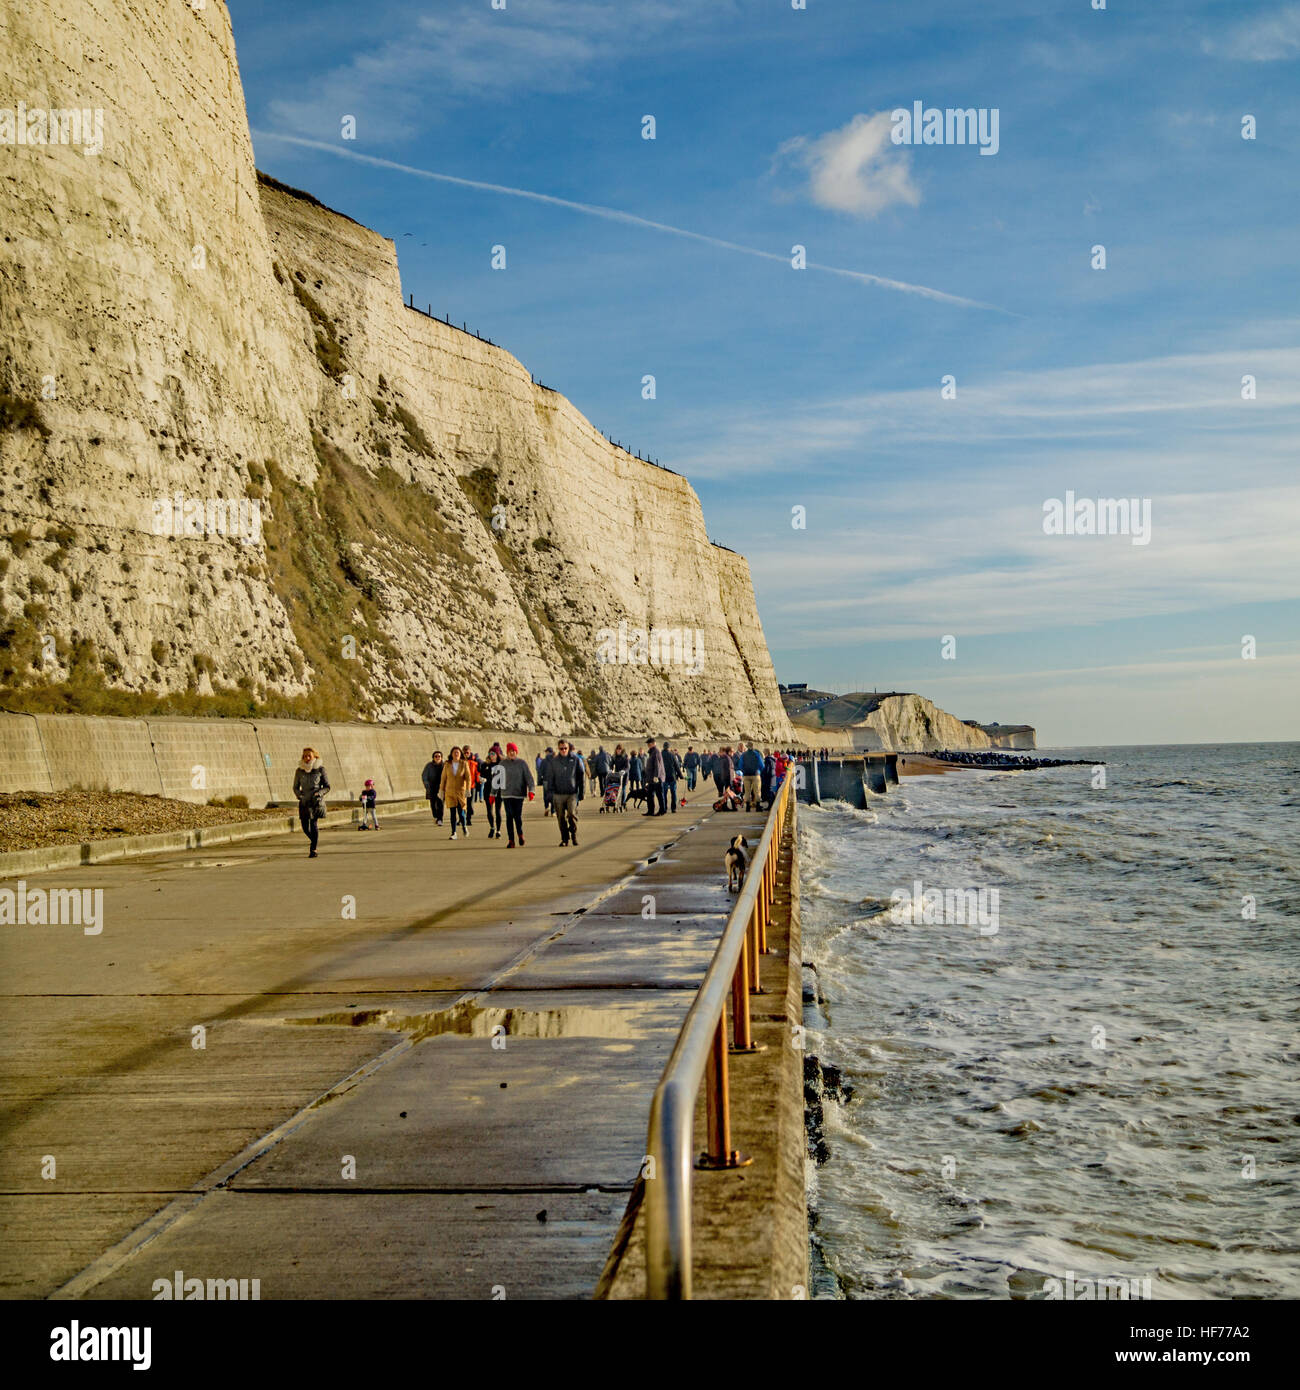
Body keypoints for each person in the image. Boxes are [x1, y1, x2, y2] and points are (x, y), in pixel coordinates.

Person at [542, 738, 584, 846]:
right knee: (560, 817)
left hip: (572, 793)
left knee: (571, 814)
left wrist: (581, 792)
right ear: (558, 749)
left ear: (568, 747)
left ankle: (573, 834)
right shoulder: (554, 761)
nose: (563, 750)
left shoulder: (575, 759)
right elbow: (549, 777)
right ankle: (565, 838)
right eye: (561, 749)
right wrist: (549, 794)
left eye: (565, 748)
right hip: (558, 794)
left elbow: (581, 775)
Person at [293, 746, 330, 858]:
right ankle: (314, 841)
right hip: (304, 802)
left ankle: (313, 849)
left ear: (314, 756)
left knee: (313, 824)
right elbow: (295, 787)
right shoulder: (299, 771)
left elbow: (327, 786)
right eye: (305, 756)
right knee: (305, 827)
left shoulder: (320, 769)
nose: (307, 758)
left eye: (309, 755)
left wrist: (319, 793)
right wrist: (300, 796)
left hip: (316, 801)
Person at [498, 742, 536, 847]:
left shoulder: (522, 763)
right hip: (506, 794)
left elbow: (529, 778)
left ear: (516, 752)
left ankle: (520, 833)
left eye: (513, 751)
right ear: (507, 752)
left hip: (519, 795)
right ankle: (511, 840)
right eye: (510, 751)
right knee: (509, 816)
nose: (511, 753)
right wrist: (492, 793)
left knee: (517, 816)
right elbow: (497, 780)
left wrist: (531, 791)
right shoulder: (502, 764)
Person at [441, 746, 472, 839]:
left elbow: (468, 778)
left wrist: (468, 789)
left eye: (457, 752)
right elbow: (443, 778)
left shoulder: (464, 764)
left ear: (460, 754)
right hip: (450, 792)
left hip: (460, 791)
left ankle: (464, 826)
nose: (456, 754)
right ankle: (453, 832)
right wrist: (441, 790)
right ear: (451, 754)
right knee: (452, 813)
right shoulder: (447, 764)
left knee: (461, 812)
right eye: (454, 752)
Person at [482, 748, 504, 839]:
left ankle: (498, 830)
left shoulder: (502, 765)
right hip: (488, 790)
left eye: (493, 753)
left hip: (498, 791)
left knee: (498, 810)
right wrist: (481, 779)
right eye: (490, 753)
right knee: (489, 810)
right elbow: (481, 775)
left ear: (497, 755)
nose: (492, 755)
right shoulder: (485, 765)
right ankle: (492, 827)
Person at [643, 736, 666, 817]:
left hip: (656, 778)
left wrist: (656, 776)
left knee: (659, 795)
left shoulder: (656, 752)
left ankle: (662, 810)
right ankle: (650, 810)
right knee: (649, 795)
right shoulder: (651, 752)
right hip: (651, 779)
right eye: (648, 744)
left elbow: (658, 765)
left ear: (653, 744)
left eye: (649, 744)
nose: (648, 745)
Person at [421, 749, 445, 825]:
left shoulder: (445, 766)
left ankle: (440, 819)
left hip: (441, 788)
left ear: (441, 757)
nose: (437, 757)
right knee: (433, 804)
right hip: (431, 788)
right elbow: (424, 776)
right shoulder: (429, 766)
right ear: (433, 758)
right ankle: (435, 816)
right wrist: (427, 785)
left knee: (440, 803)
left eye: (439, 756)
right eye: (436, 756)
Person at [739, 742, 763, 810]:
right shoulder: (757, 754)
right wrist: (759, 771)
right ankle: (758, 807)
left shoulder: (743, 755)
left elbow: (740, 765)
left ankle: (748, 807)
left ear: (747, 747)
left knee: (747, 791)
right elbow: (762, 765)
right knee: (757, 791)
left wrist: (744, 771)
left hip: (746, 775)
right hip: (755, 775)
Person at [662, 740, 681, 813]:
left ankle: (665, 808)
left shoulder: (660, 755)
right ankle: (673, 808)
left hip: (664, 777)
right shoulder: (672, 755)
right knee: (673, 793)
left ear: (663, 747)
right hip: (672, 777)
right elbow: (677, 766)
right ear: (669, 747)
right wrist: (680, 775)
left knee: (664, 793)